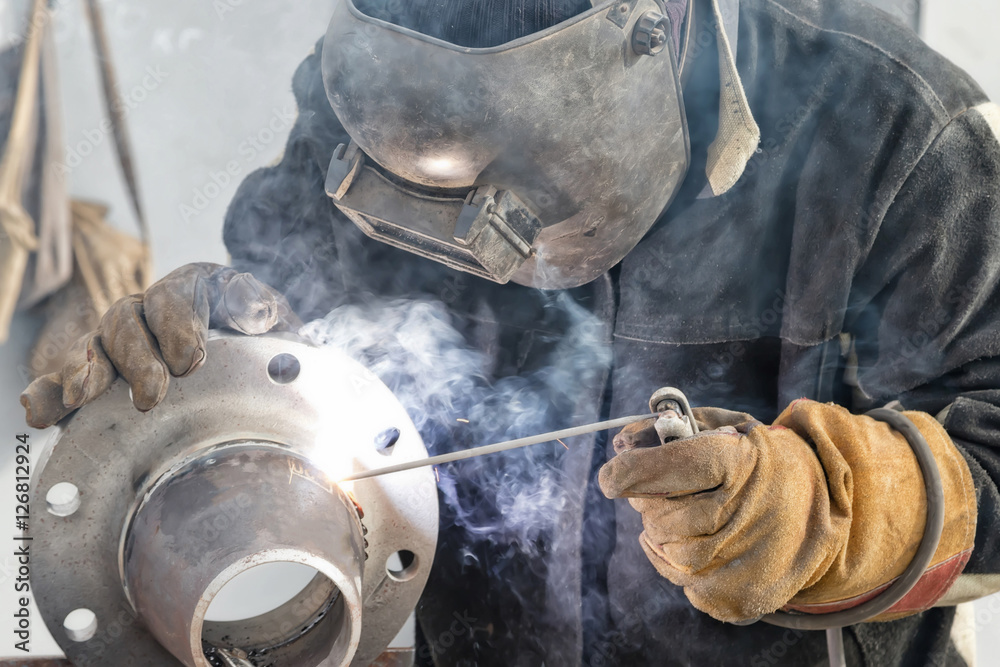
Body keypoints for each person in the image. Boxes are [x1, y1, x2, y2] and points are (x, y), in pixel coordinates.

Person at [20, 0, 1000, 664]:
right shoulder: (370, 93)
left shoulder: (894, 139)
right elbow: (291, 321)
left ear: (654, 38)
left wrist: (839, 510)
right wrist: (214, 357)